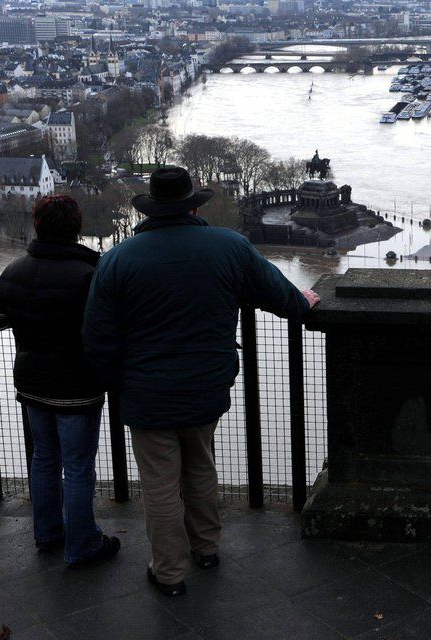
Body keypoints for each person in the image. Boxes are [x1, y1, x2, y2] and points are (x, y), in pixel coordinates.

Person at [82, 166, 320, 597]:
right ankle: (206, 547)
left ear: (151, 210)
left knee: (159, 484)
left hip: (146, 392)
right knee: (201, 465)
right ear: (193, 207)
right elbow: (280, 295)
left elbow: (97, 337)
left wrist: (114, 384)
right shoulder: (229, 246)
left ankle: (169, 573)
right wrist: (303, 302)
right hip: (207, 383)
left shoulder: (119, 258)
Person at [0, 194, 120, 567]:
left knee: (43, 457)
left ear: (37, 225)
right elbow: (110, 325)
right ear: (76, 228)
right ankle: (82, 545)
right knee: (77, 466)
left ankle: (47, 534)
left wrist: (23, 316)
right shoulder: (91, 272)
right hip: (77, 385)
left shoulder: (15, 269)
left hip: (32, 382)